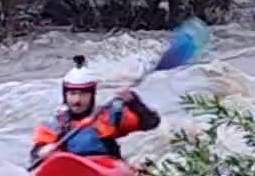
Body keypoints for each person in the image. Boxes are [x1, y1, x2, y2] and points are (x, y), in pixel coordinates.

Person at [28, 54, 160, 169]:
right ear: (65, 95)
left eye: (83, 94)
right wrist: (42, 152)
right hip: (70, 169)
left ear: (92, 95)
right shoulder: (55, 124)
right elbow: (35, 153)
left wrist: (133, 101)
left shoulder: (109, 116)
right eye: (72, 94)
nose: (77, 100)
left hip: (106, 169)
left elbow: (151, 122)